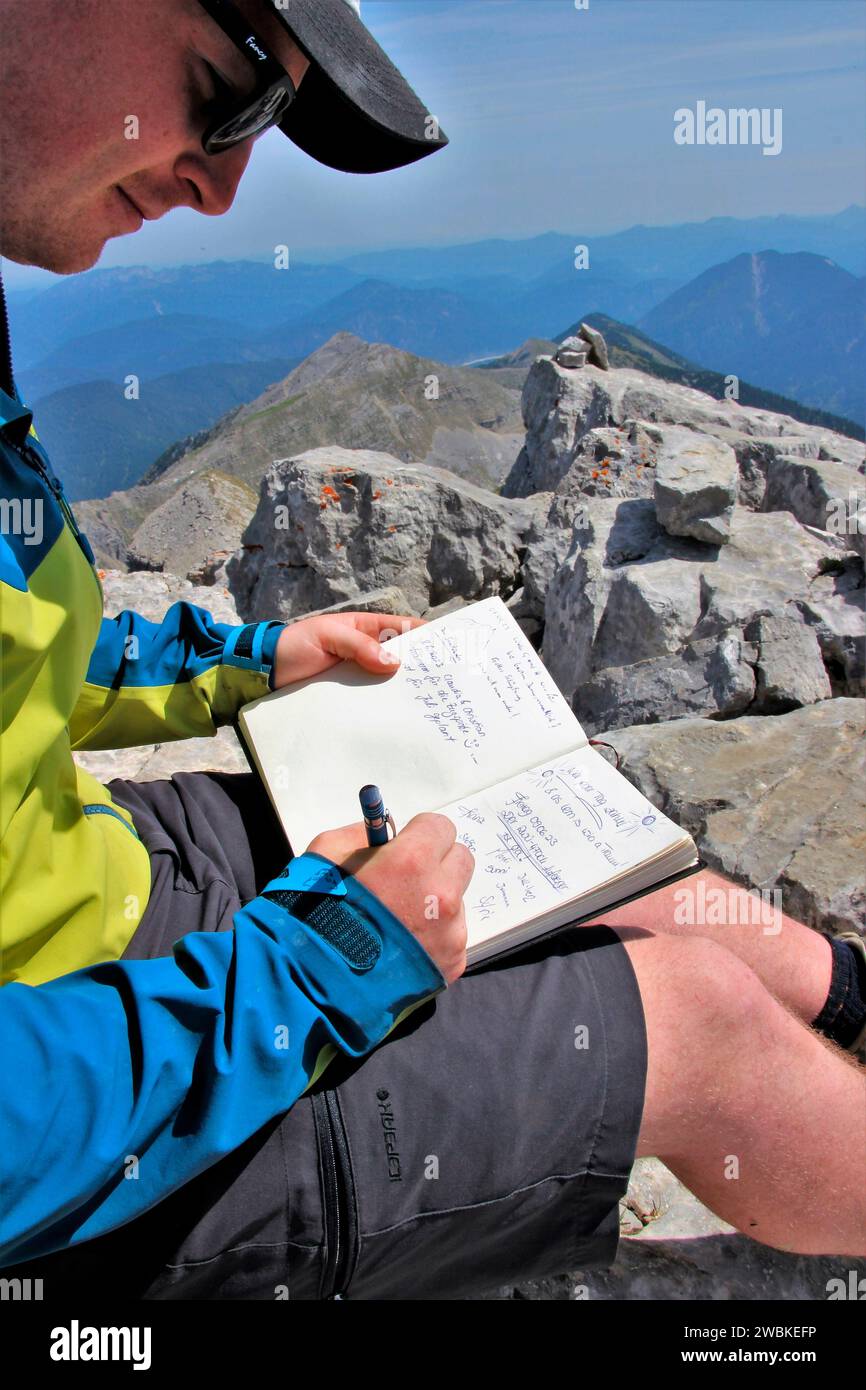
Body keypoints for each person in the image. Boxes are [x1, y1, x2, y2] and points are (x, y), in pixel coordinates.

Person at [0, 0, 863, 1300]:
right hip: (80, 1125)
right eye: (228, 91)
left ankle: (848, 990)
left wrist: (251, 659)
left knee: (578, 855)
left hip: (91, 886)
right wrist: (323, 960)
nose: (228, 186)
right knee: (703, 1027)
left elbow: (26, 635)